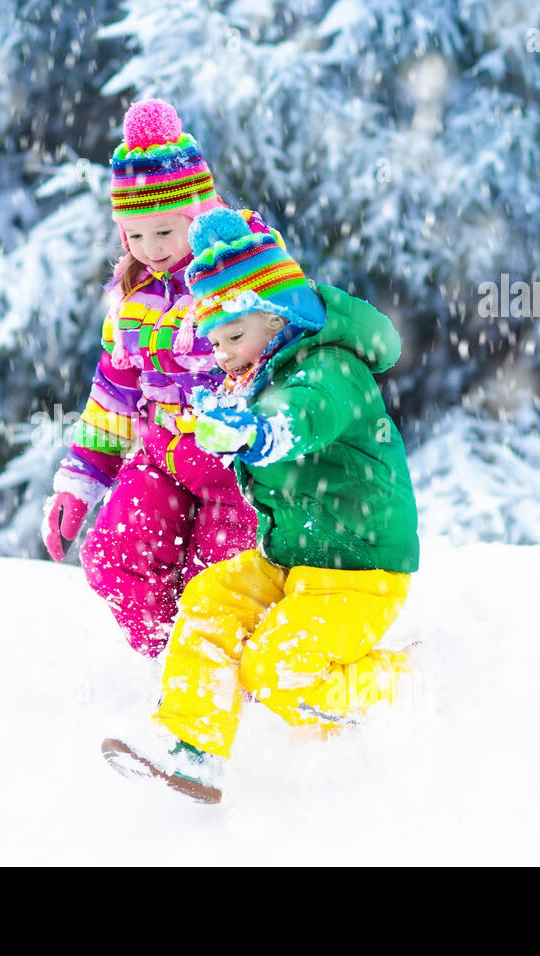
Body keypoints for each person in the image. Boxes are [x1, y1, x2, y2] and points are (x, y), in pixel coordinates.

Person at [102, 208, 420, 803]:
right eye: (215, 342)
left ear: (278, 317)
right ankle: (195, 750)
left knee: (275, 672)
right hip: (290, 559)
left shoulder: (331, 366)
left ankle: (399, 684)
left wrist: (259, 432)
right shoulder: (255, 374)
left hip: (361, 569)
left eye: (232, 337)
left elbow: (306, 415)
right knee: (207, 600)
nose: (221, 354)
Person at [41, 99, 268, 657]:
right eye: (134, 237)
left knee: (220, 583)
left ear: (199, 213)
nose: (152, 249)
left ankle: (234, 676)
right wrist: (79, 482)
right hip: (163, 458)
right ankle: (173, 662)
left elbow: (283, 358)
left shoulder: (238, 284)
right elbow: (112, 399)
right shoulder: (133, 303)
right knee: (114, 553)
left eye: (164, 231)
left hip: (233, 470)